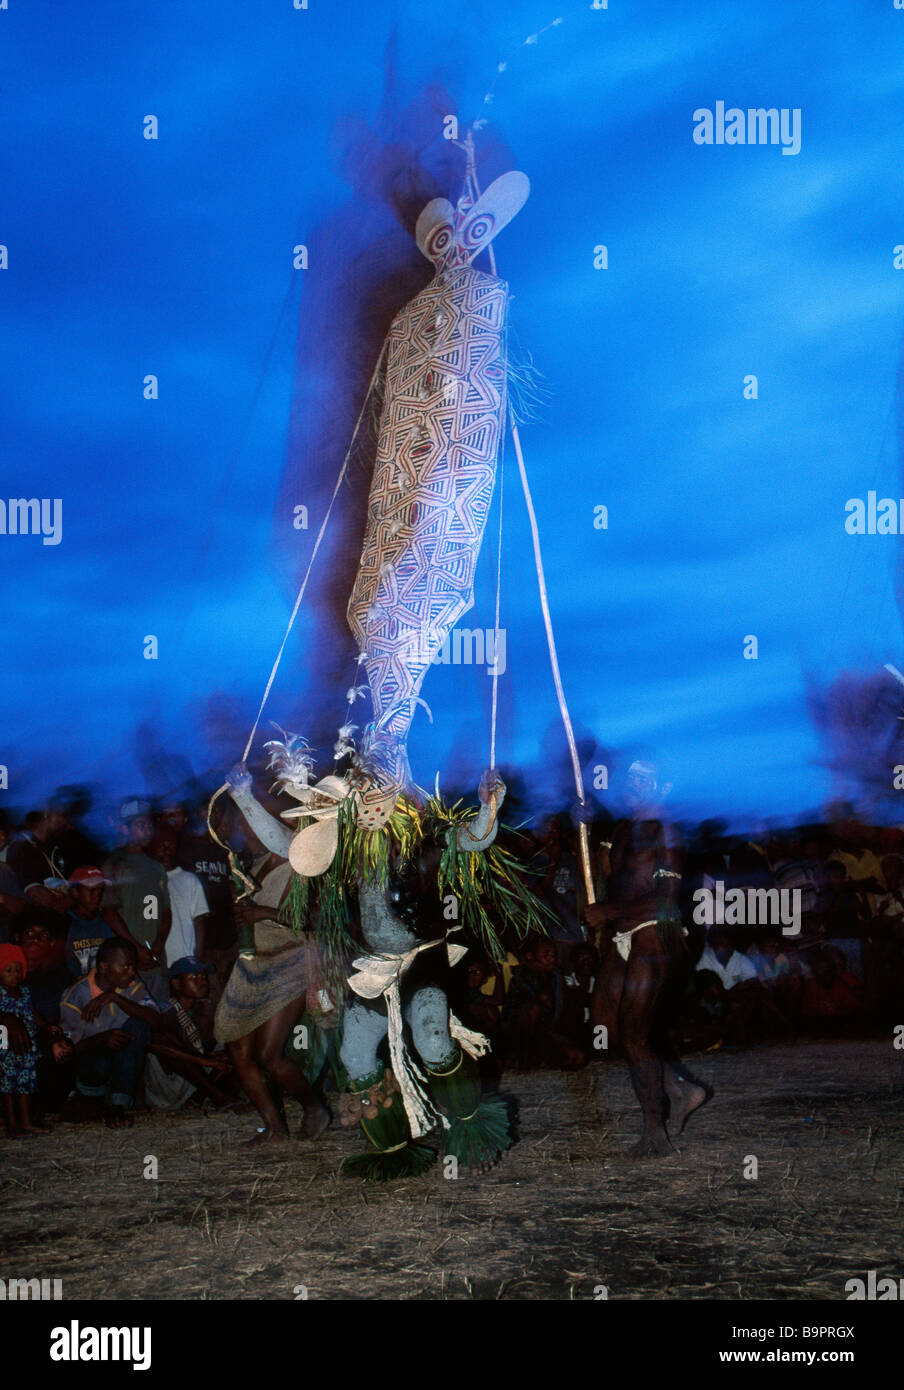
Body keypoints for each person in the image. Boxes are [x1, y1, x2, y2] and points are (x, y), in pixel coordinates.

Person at [582, 759, 708, 1156]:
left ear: (663, 787)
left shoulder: (667, 830)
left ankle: (655, 1133)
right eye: (630, 777)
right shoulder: (620, 828)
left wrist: (609, 912)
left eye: (643, 778)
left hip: (655, 932)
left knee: (635, 1033)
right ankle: (680, 1089)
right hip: (621, 932)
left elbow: (667, 901)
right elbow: (606, 878)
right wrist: (585, 831)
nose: (632, 783)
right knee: (606, 1026)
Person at [59, 938, 162, 1126]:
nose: (132, 972)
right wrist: (101, 1039)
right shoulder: (75, 996)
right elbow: (67, 1053)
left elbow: (155, 1021)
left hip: (122, 1063)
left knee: (139, 1026)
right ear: (104, 967)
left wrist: (115, 998)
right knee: (99, 1061)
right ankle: (92, 1099)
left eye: (133, 966)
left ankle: (117, 1104)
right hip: (92, 1067)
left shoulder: (132, 985)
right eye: (126, 966)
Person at [101, 801, 172, 1005]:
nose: (147, 830)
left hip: (155, 958)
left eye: (149, 825)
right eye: (140, 825)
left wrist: (158, 945)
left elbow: (165, 911)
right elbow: (108, 912)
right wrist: (136, 949)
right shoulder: (114, 864)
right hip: (127, 961)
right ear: (125, 829)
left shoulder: (157, 867)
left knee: (159, 1010)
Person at [146, 956, 237, 1110]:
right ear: (176, 984)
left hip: (194, 1084)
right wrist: (202, 1060)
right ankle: (217, 1096)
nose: (202, 982)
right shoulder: (162, 1009)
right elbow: (155, 1043)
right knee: (166, 1042)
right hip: (167, 1087)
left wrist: (215, 1056)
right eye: (194, 977)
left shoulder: (204, 1009)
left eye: (203, 976)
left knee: (235, 1041)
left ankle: (197, 1099)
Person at [0, 943, 53, 1136]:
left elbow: (33, 1014)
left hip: (27, 1046)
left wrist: (46, 1026)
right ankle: (12, 1124)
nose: (14, 974)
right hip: (6, 1048)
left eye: (18, 969)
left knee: (26, 1084)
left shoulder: (25, 992)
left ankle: (26, 1121)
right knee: (7, 1084)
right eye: (8, 970)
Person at [150, 831, 209, 965]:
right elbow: (149, 919)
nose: (167, 851)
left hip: (184, 957)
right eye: (162, 846)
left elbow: (199, 921)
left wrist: (197, 957)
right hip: (157, 959)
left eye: (171, 847)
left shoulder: (189, 880)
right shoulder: (148, 881)